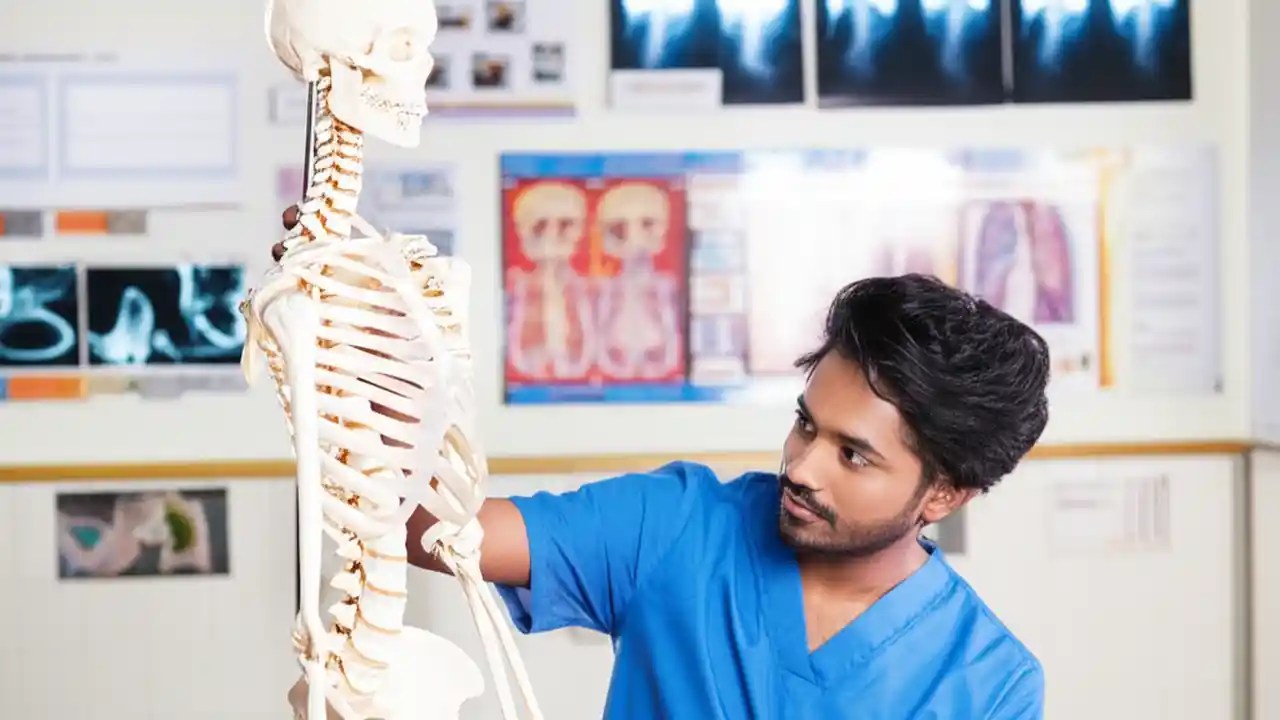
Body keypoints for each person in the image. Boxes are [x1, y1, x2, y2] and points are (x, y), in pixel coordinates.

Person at [274, 206, 1049, 718]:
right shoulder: (681, 525)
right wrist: (352, 350)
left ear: (945, 493)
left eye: (853, 455)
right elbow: (427, 531)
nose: (804, 467)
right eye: (805, 425)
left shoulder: (988, 683)